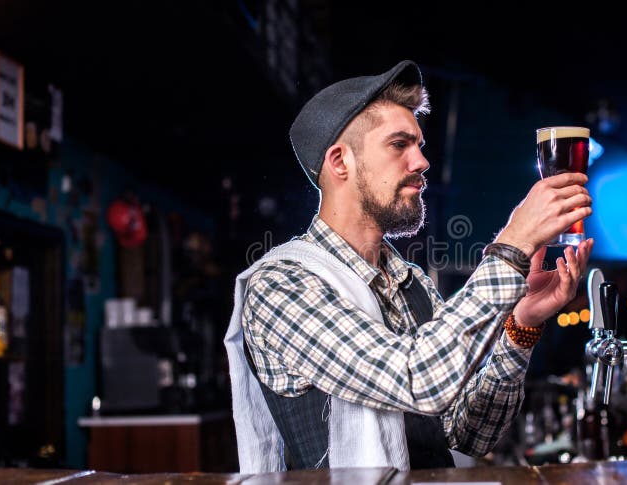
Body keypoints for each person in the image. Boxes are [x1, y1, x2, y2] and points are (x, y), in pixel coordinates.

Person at [224, 59, 594, 473]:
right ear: (340, 162)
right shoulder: (281, 285)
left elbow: (470, 433)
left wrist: (521, 325)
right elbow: (417, 378)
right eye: (399, 144)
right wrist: (512, 245)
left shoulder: (411, 282)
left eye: (418, 145)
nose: (421, 162)